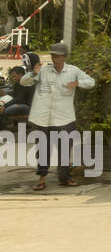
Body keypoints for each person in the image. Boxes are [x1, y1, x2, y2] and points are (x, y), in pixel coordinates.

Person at [21, 42, 94, 190]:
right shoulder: (43, 70)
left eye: (58, 56)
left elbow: (90, 82)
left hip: (64, 117)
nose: (55, 59)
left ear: (64, 57)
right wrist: (34, 73)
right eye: (53, 56)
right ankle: (41, 179)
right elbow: (24, 82)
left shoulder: (73, 71)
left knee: (65, 149)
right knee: (43, 149)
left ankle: (64, 179)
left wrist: (77, 83)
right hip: (42, 118)